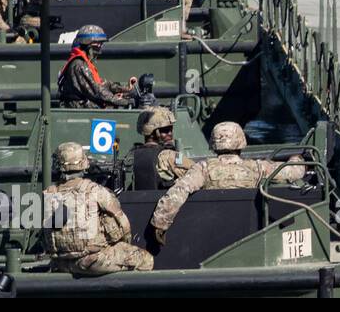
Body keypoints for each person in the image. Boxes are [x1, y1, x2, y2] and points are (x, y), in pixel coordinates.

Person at [150, 122, 305, 245]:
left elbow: (179, 190)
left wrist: (161, 222)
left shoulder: (203, 168)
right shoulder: (258, 167)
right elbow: (294, 172)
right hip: (249, 233)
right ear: (241, 141)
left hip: (212, 232)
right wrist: (297, 158)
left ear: (213, 143)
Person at [43, 142, 153, 276]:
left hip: (60, 264)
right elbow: (124, 226)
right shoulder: (95, 190)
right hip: (92, 262)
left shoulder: (49, 193)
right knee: (146, 259)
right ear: (84, 163)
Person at [57, 25, 131, 108]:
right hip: (80, 114)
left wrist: (126, 89)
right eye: (98, 44)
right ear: (88, 44)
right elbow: (97, 91)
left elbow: (102, 84)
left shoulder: (82, 63)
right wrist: (125, 102)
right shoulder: (79, 65)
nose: (100, 48)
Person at [128, 106, 194, 190]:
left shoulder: (131, 155)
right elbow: (197, 172)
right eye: (165, 130)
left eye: (171, 129)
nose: (170, 133)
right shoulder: (172, 156)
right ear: (152, 132)